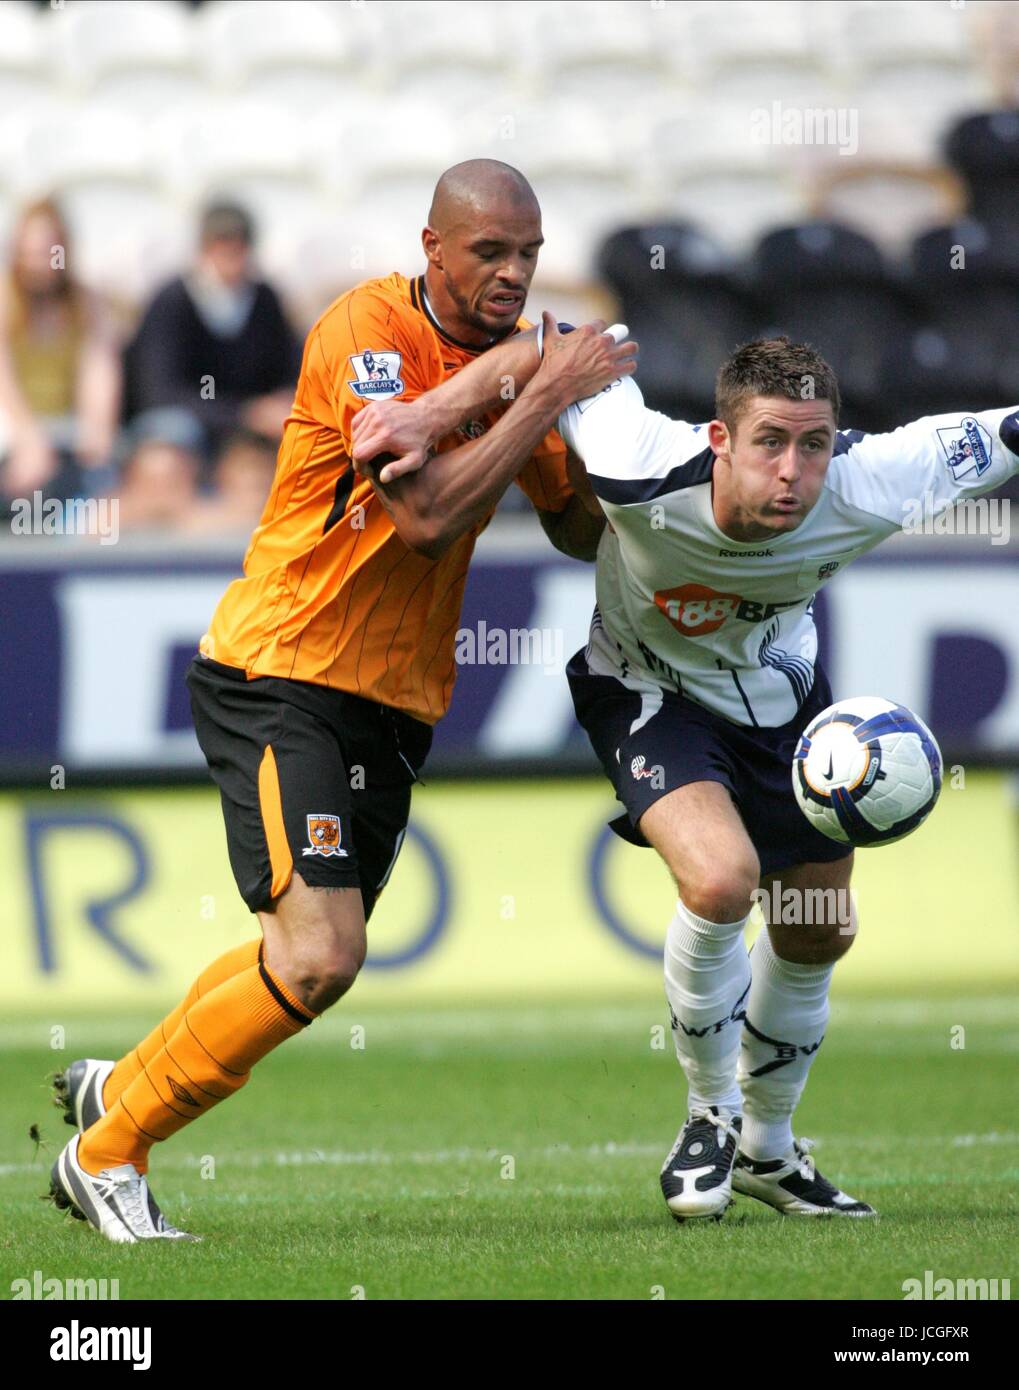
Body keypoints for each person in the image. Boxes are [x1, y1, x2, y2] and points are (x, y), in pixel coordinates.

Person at [47, 159, 635, 1243]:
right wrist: (541, 388)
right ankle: (108, 1150)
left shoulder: (520, 363)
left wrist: (645, 471)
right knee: (322, 953)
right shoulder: (365, 335)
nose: (513, 274)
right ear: (433, 248)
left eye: (529, 253)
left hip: (393, 702)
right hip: (284, 669)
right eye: (489, 252)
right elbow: (423, 514)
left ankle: (116, 1086)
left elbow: (571, 522)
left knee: (299, 953)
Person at [348, 330, 1019, 1222]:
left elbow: (1003, 432)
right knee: (720, 878)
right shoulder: (634, 461)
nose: (792, 471)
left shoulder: (875, 479)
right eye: (769, 443)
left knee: (817, 928)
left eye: (812, 445)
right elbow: (546, 344)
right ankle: (710, 1115)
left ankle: (768, 1151)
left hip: (780, 700)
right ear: (718, 440)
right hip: (644, 689)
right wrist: (428, 411)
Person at [121, 201, 300, 470]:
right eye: (221, 246)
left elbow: (289, 366)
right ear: (204, 249)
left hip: (251, 422)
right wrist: (243, 414)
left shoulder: (265, 300)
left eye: (238, 246)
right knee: (175, 431)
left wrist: (280, 403)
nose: (230, 256)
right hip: (189, 423)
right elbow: (159, 391)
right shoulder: (172, 301)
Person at [0, 198, 121, 503]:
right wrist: (27, 437)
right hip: (11, 427)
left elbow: (99, 371)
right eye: (32, 252)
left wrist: (98, 431)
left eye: (48, 251)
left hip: (65, 427)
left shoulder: (86, 304)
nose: (39, 262)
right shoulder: (5, 302)